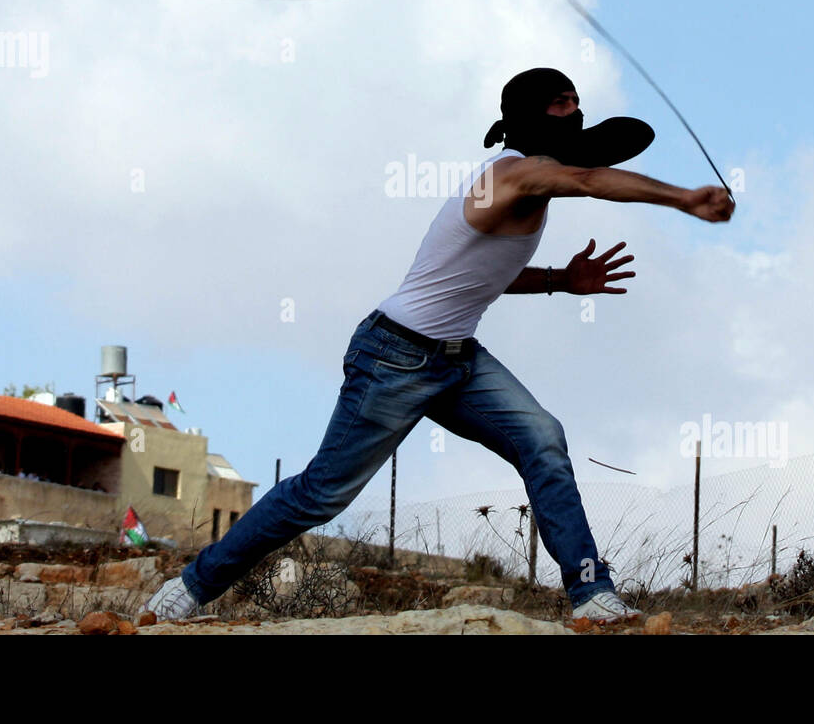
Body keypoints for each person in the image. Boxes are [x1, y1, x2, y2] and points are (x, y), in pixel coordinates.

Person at [144, 68, 734, 624]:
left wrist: (561, 280)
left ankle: (591, 595)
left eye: (578, 102)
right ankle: (190, 588)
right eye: (561, 103)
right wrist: (684, 198)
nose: (575, 111)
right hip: (394, 357)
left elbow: (482, 273)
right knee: (319, 495)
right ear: (529, 116)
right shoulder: (512, 175)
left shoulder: (529, 186)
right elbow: (588, 179)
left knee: (544, 440)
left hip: (458, 359)